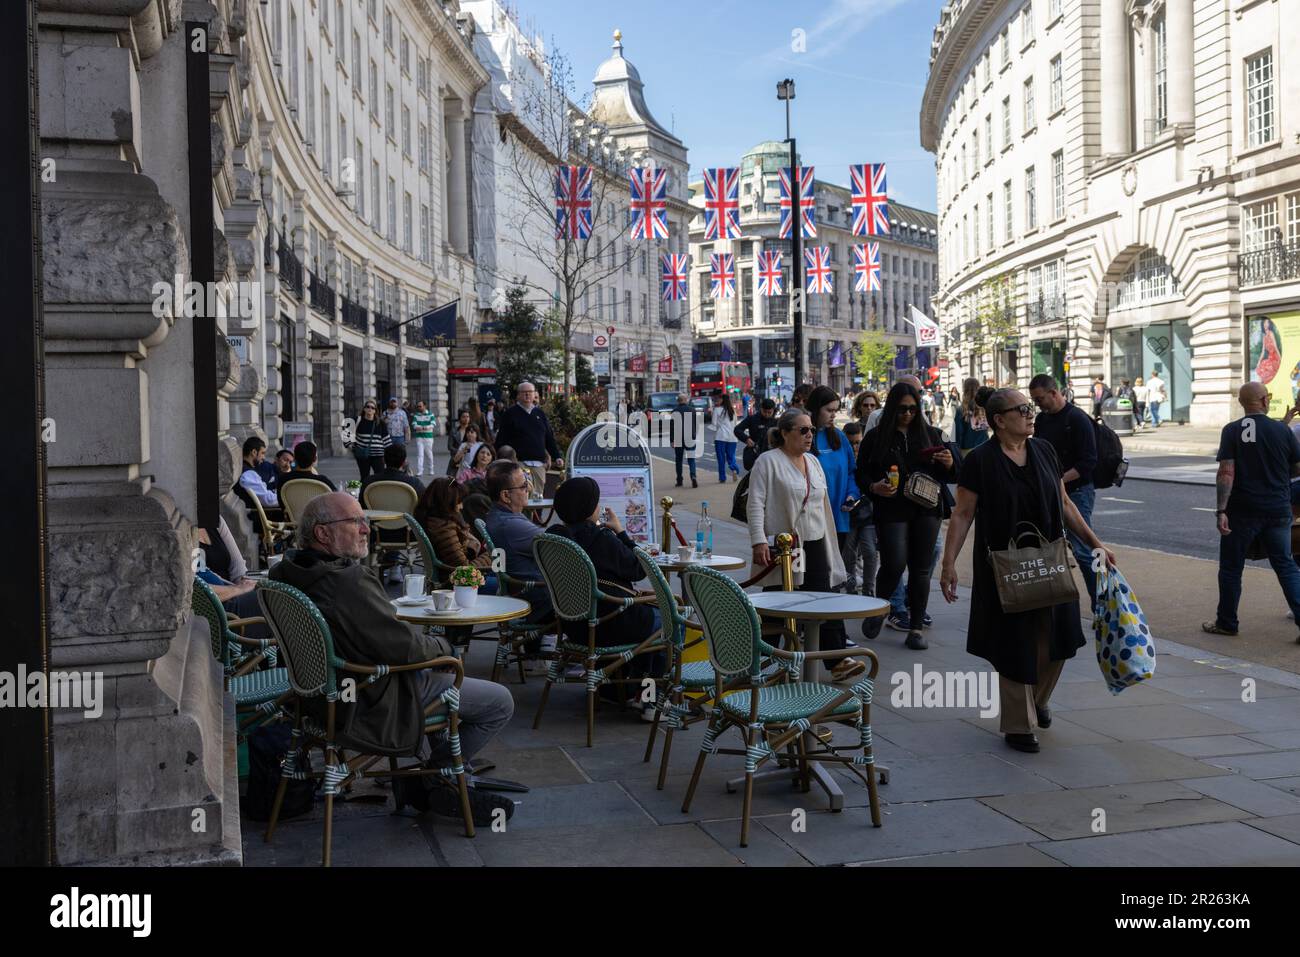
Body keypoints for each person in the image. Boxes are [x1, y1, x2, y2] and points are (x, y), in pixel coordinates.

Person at [269, 492, 514, 824]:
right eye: (354, 521)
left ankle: (439, 777)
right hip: (373, 699)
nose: (365, 529)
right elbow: (404, 648)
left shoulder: (287, 571)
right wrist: (447, 649)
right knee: (499, 702)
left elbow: (386, 638)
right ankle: (432, 778)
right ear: (322, 533)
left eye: (364, 520)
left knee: (439, 675)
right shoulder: (347, 581)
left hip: (315, 698)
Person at [940, 389, 1115, 753]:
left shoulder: (1044, 451)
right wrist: (948, 563)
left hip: (1049, 559)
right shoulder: (981, 461)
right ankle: (1018, 724)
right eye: (1022, 410)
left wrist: (1096, 543)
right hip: (1004, 566)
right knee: (1014, 642)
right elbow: (963, 513)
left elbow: (1065, 503)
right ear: (999, 420)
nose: (1030, 414)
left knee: (1062, 637)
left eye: (1030, 408)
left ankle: (1037, 698)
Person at [747, 409, 865, 682]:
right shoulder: (768, 461)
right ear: (785, 433)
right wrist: (758, 541)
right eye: (803, 430)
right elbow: (756, 503)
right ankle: (762, 661)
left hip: (815, 541)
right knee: (778, 599)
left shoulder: (813, 461)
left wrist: (830, 540)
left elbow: (821, 504)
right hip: (786, 545)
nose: (810, 435)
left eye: (811, 429)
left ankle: (836, 661)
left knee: (825, 598)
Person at [549, 476, 664, 716]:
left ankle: (615, 689)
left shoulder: (555, 537)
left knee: (648, 617)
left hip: (575, 625)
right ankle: (648, 697)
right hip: (609, 621)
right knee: (668, 622)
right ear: (590, 508)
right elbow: (638, 568)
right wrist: (621, 532)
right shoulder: (600, 538)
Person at [857, 382, 958, 650]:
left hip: (926, 507)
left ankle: (915, 627)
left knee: (921, 567)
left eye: (913, 409)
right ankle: (879, 608)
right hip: (891, 508)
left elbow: (953, 474)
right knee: (894, 563)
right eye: (902, 409)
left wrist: (949, 463)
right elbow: (861, 472)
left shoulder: (932, 434)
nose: (907, 414)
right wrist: (873, 487)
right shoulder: (876, 437)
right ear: (891, 409)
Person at [1203, 382, 1300, 638]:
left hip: (1242, 510)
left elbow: (1226, 472)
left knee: (1231, 568)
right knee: (1286, 565)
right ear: (1265, 401)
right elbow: (1296, 468)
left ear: (1242, 403)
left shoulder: (1232, 430)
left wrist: (1221, 510)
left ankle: (1226, 623)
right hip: (1278, 508)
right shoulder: (1282, 431)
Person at [1027, 374, 1100, 601]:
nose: (1037, 404)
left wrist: (1058, 480)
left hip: (1078, 492)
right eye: (1034, 400)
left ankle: (1101, 606)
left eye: (1039, 399)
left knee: (1083, 551)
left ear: (1054, 393)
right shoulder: (1042, 420)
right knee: (1052, 547)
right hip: (1051, 491)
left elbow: (1088, 462)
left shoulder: (1077, 418)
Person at [484, 460, 552, 624]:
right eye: (523, 486)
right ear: (506, 496)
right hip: (536, 593)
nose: (529, 488)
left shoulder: (499, 515)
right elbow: (559, 546)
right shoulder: (511, 525)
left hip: (523, 586)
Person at [807, 386, 860, 555]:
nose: (833, 415)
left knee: (834, 571)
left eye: (835, 410)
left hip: (839, 518)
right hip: (811, 520)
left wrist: (852, 495)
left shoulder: (839, 437)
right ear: (816, 409)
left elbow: (852, 472)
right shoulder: (804, 436)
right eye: (829, 410)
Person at [413, 477, 495, 579]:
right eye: (458, 502)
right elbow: (464, 570)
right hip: (460, 584)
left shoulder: (430, 519)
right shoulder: (444, 529)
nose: (461, 507)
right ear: (447, 503)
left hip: (456, 577)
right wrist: (492, 554)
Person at [493, 382, 562, 496]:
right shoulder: (510, 414)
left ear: (534, 394)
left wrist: (557, 456)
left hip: (539, 464)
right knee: (521, 494)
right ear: (518, 395)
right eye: (524, 392)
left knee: (538, 495)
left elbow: (549, 437)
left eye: (530, 392)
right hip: (519, 463)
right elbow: (502, 439)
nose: (527, 395)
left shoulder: (540, 413)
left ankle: (537, 515)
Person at [840, 421, 878, 596]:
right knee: (849, 554)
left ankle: (869, 590)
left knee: (870, 552)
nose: (855, 447)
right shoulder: (841, 459)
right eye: (851, 443)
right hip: (849, 515)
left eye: (857, 442)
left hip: (868, 514)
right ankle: (851, 588)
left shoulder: (869, 456)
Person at [276, 441, 337, 508]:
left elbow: (281, 504)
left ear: (295, 458)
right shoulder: (322, 481)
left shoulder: (283, 480)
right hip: (315, 518)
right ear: (315, 459)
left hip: (291, 518)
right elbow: (337, 499)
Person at [361, 443, 427, 499]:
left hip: (377, 514)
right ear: (404, 463)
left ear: (383, 460)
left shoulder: (369, 482)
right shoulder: (414, 483)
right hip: (405, 514)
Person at [349, 400, 390, 480]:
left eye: (372, 408)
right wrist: (352, 447)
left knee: (380, 477)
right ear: (364, 409)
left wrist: (390, 454)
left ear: (375, 411)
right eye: (368, 407)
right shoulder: (358, 421)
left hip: (378, 455)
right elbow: (345, 430)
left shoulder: (380, 423)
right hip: (363, 455)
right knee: (364, 477)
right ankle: (364, 492)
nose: (370, 409)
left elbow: (386, 440)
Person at [734, 397, 777, 471]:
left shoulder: (776, 422)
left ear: (773, 410)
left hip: (771, 454)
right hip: (755, 453)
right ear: (761, 409)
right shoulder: (752, 419)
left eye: (769, 412)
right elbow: (737, 429)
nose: (766, 414)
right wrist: (746, 439)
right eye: (764, 411)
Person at [238, 436, 280, 507]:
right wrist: (286, 498)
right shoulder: (248, 474)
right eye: (262, 453)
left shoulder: (247, 470)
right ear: (254, 452)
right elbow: (268, 500)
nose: (264, 457)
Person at [669, 393, 699, 488]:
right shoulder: (692, 410)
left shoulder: (675, 411)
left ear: (678, 401)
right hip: (690, 437)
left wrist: (672, 440)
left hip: (678, 438)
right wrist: (694, 435)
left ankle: (679, 480)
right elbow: (696, 425)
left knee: (679, 460)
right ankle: (693, 476)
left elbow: (672, 427)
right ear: (686, 400)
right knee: (691, 459)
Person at [954, 377, 991, 452]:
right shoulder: (985, 407)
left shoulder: (961, 410)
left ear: (964, 390)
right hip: (986, 448)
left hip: (968, 450)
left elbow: (958, 435)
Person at [710, 392, 741, 483]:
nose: (717, 401)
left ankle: (722, 477)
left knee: (721, 458)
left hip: (720, 437)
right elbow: (735, 424)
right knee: (731, 456)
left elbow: (714, 424)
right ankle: (734, 468)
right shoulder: (732, 411)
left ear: (723, 400)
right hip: (732, 437)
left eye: (719, 399)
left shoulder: (717, 410)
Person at [410, 401, 437, 477]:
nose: (419, 408)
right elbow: (414, 424)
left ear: (425, 406)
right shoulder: (416, 415)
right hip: (419, 437)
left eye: (420, 406)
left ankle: (431, 469)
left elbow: (433, 424)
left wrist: (425, 427)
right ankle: (420, 471)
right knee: (420, 454)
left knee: (429, 454)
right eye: (418, 406)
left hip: (428, 437)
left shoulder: (430, 414)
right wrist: (420, 427)